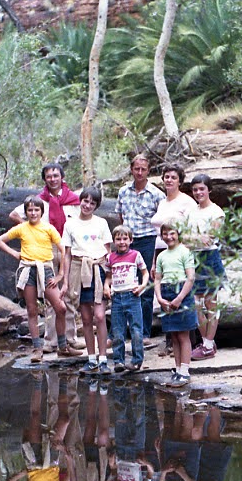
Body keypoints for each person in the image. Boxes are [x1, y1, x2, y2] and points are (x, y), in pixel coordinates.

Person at [10, 162, 82, 356]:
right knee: (51, 297)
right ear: (45, 179)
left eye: (56, 175)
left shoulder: (73, 200)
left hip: (67, 248)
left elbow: (82, 221)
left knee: (70, 294)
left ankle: (70, 339)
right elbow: (14, 214)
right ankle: (51, 341)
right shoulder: (40, 201)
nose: (53, 179)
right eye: (49, 176)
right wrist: (30, 228)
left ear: (62, 177)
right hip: (46, 250)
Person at [0, 196, 68, 363]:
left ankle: (63, 347)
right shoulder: (21, 228)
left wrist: (61, 274)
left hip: (46, 270)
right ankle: (37, 348)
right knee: (32, 309)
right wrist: (14, 254)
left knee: (61, 307)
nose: (33, 213)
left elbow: (63, 250)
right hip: (28, 270)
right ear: (26, 212)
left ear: (42, 212)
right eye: (30, 210)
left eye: (36, 210)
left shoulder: (48, 228)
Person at [62, 186, 113, 377]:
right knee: (85, 318)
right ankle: (91, 359)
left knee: (99, 316)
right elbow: (66, 254)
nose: (88, 205)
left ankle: (103, 358)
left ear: (96, 206)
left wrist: (109, 278)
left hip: (98, 268)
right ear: (80, 200)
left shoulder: (101, 223)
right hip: (78, 269)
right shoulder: (70, 224)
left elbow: (108, 253)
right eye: (85, 201)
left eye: (92, 203)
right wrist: (65, 281)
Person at [115, 155, 165, 342]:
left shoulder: (156, 194)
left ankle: (144, 332)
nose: (140, 172)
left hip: (148, 241)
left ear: (149, 171)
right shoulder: (123, 192)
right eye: (137, 169)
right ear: (131, 169)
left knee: (147, 283)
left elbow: (161, 220)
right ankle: (126, 329)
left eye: (143, 169)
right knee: (125, 283)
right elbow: (121, 216)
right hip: (127, 242)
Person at [153, 223, 198, 386]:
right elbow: (157, 278)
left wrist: (179, 298)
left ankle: (185, 371)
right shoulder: (161, 256)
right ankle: (178, 369)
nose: (168, 237)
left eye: (172, 233)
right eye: (165, 234)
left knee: (183, 335)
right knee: (173, 334)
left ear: (178, 234)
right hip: (166, 292)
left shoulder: (185, 252)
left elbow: (190, 277)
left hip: (182, 293)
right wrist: (159, 297)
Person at [188, 173, 226, 360]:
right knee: (195, 304)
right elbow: (181, 237)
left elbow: (208, 239)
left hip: (210, 257)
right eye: (195, 189)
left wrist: (190, 238)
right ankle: (206, 342)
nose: (198, 192)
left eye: (201, 189)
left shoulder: (216, 212)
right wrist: (191, 238)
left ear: (209, 190)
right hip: (193, 259)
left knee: (211, 303)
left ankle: (208, 344)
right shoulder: (191, 211)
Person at [104, 225, 149, 373]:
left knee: (136, 330)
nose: (122, 242)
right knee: (117, 330)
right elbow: (109, 276)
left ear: (130, 240)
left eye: (125, 239)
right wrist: (106, 287)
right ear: (114, 241)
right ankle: (119, 361)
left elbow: (145, 272)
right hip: (117, 298)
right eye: (118, 239)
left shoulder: (135, 255)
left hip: (132, 296)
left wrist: (142, 286)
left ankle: (136, 360)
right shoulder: (110, 257)